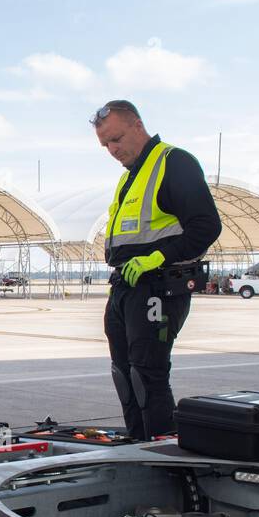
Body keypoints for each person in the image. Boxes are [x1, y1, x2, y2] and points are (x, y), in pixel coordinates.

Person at [91, 100, 221, 440]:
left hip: (158, 287)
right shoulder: (129, 179)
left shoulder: (173, 163)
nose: (113, 150)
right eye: (106, 145)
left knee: (148, 376)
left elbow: (206, 226)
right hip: (125, 287)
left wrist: (156, 258)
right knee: (124, 375)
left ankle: (163, 457)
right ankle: (136, 447)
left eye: (117, 139)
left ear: (137, 125)